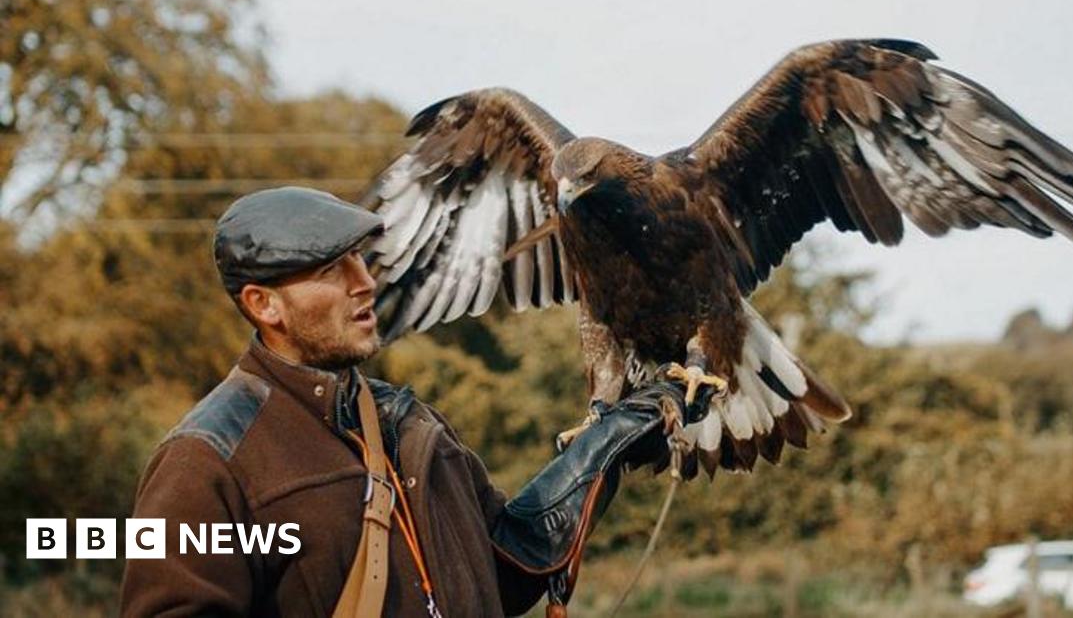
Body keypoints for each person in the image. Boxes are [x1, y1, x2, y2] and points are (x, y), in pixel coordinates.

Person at [119, 186, 692, 617]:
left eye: (360, 259)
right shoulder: (207, 459)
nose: (363, 281)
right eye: (330, 269)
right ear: (264, 305)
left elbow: (505, 567)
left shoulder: (408, 423)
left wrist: (601, 450)